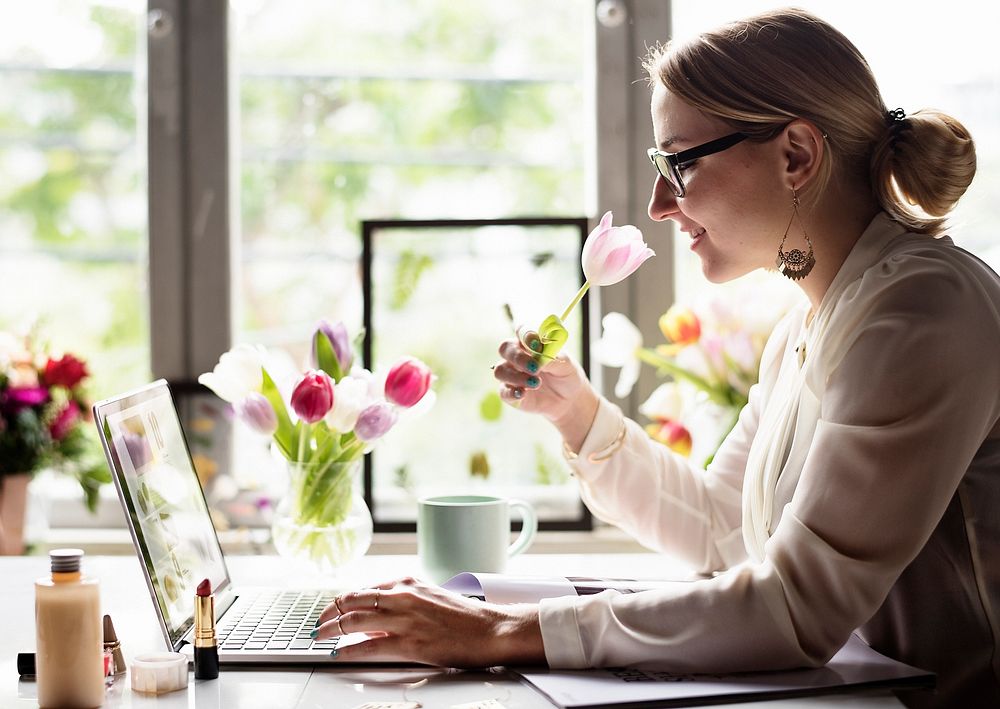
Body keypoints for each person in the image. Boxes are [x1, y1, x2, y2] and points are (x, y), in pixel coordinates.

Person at [315, 9, 999, 707]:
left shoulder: (920, 310)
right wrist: (579, 416)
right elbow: (720, 526)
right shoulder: (816, 319)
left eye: (680, 161)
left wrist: (501, 629)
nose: (658, 203)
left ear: (796, 155)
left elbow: (797, 606)